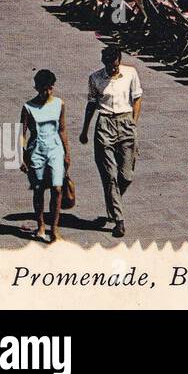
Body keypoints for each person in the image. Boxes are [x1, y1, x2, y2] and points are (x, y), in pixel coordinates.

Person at [79, 45, 142, 238]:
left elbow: (137, 98)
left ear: (119, 61)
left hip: (125, 122)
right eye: (108, 65)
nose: (111, 69)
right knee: (110, 175)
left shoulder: (131, 73)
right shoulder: (96, 78)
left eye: (114, 65)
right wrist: (85, 130)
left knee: (126, 175)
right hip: (104, 124)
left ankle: (112, 201)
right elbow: (91, 104)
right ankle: (119, 220)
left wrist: (133, 121)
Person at [20, 69, 70, 243]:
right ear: (36, 87)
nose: (46, 93)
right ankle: (41, 225)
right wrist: (22, 157)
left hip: (55, 149)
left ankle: (54, 229)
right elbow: (22, 134)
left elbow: (62, 129)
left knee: (57, 189)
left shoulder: (59, 104)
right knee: (39, 189)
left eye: (49, 88)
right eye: (42, 89)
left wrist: (67, 153)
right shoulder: (28, 107)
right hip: (36, 151)